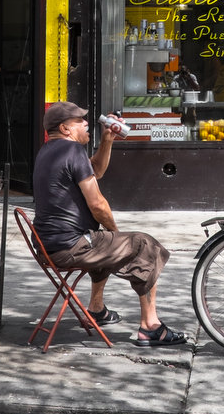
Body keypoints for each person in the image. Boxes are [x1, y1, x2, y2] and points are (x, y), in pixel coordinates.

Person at [32, 101, 185, 347]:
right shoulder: (72, 151)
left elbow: (95, 171)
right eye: (79, 120)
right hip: (69, 247)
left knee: (101, 238)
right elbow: (98, 205)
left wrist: (107, 140)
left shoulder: (49, 151)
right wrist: (116, 233)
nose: (86, 123)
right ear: (65, 128)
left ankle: (96, 309)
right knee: (145, 245)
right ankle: (151, 326)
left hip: (48, 246)